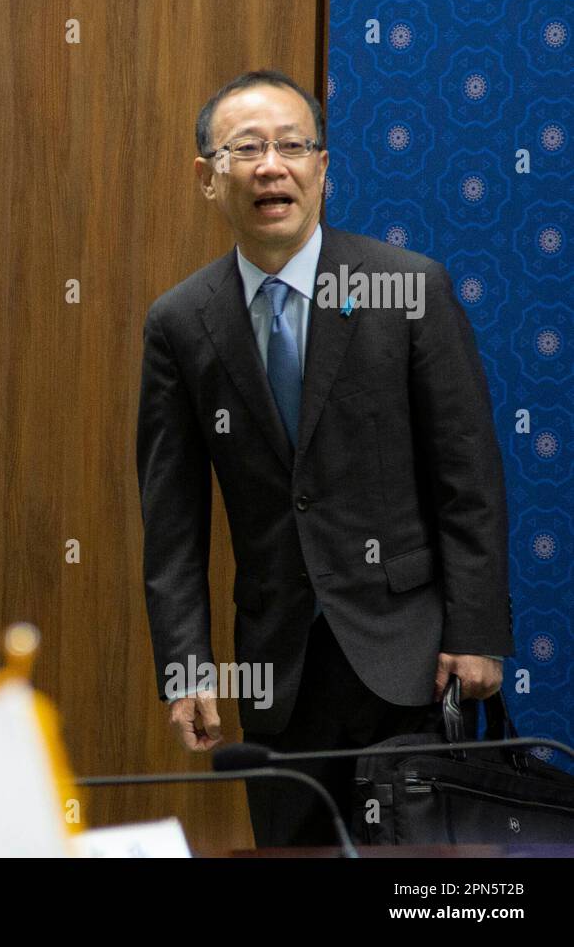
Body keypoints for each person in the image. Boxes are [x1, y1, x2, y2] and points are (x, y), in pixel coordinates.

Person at [136, 70, 512, 847]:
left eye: (291, 145)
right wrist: (187, 667)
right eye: (246, 148)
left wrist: (476, 630)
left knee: (422, 891)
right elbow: (171, 518)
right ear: (206, 177)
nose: (271, 165)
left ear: (323, 168)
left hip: (411, 655)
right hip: (279, 666)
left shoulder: (409, 289)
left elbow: (468, 479)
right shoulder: (179, 321)